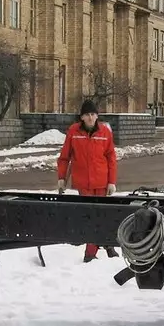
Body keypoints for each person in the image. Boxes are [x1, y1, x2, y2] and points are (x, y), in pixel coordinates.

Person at [56, 100, 119, 262]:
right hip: (83, 182)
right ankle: (91, 253)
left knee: (102, 214)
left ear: (97, 116)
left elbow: (111, 157)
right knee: (91, 215)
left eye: (93, 114)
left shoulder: (105, 132)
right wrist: (62, 178)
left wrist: (112, 181)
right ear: (82, 117)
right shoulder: (73, 131)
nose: (90, 118)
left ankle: (103, 245)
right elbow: (64, 157)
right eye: (87, 115)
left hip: (102, 181)